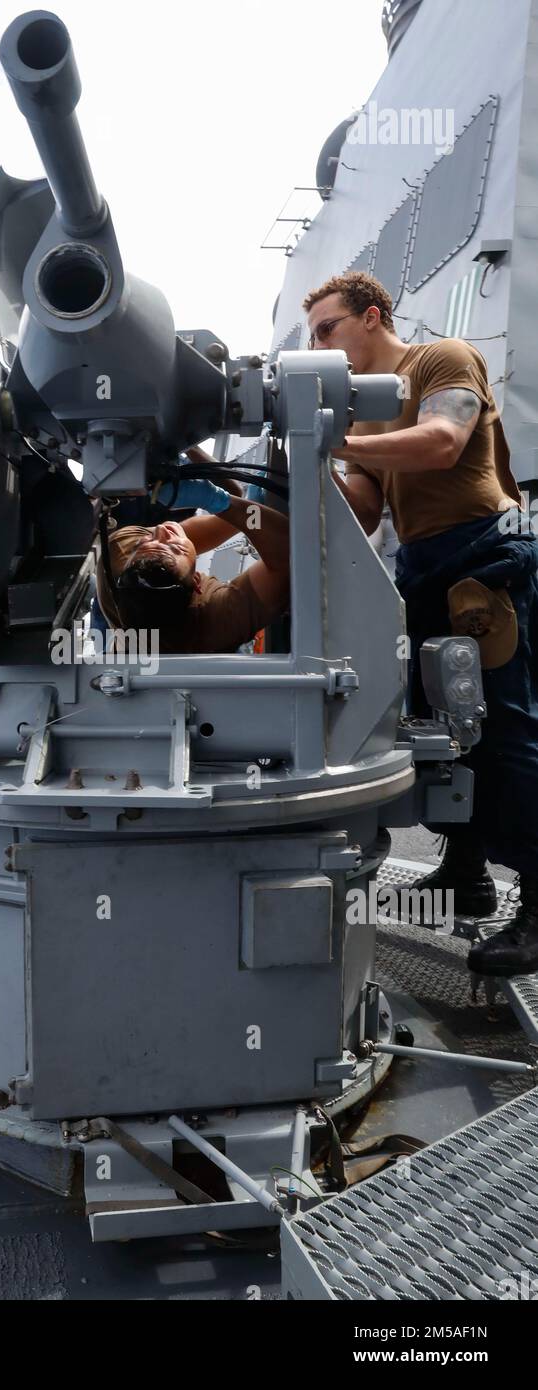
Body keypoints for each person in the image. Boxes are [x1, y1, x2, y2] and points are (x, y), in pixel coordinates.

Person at [304, 269, 538, 977]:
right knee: (446, 737)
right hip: (422, 572)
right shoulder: (363, 416)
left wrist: (329, 443)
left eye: (327, 330)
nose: (321, 346)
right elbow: (367, 511)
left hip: (483, 558)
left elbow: (441, 441)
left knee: (508, 730)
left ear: (372, 317)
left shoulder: (440, 360)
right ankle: (463, 874)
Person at [95, 452, 290, 654]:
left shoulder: (118, 553)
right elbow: (287, 557)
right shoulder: (216, 621)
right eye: (176, 547)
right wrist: (227, 504)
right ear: (197, 583)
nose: (161, 531)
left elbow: (209, 530)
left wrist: (237, 508)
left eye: (143, 543)